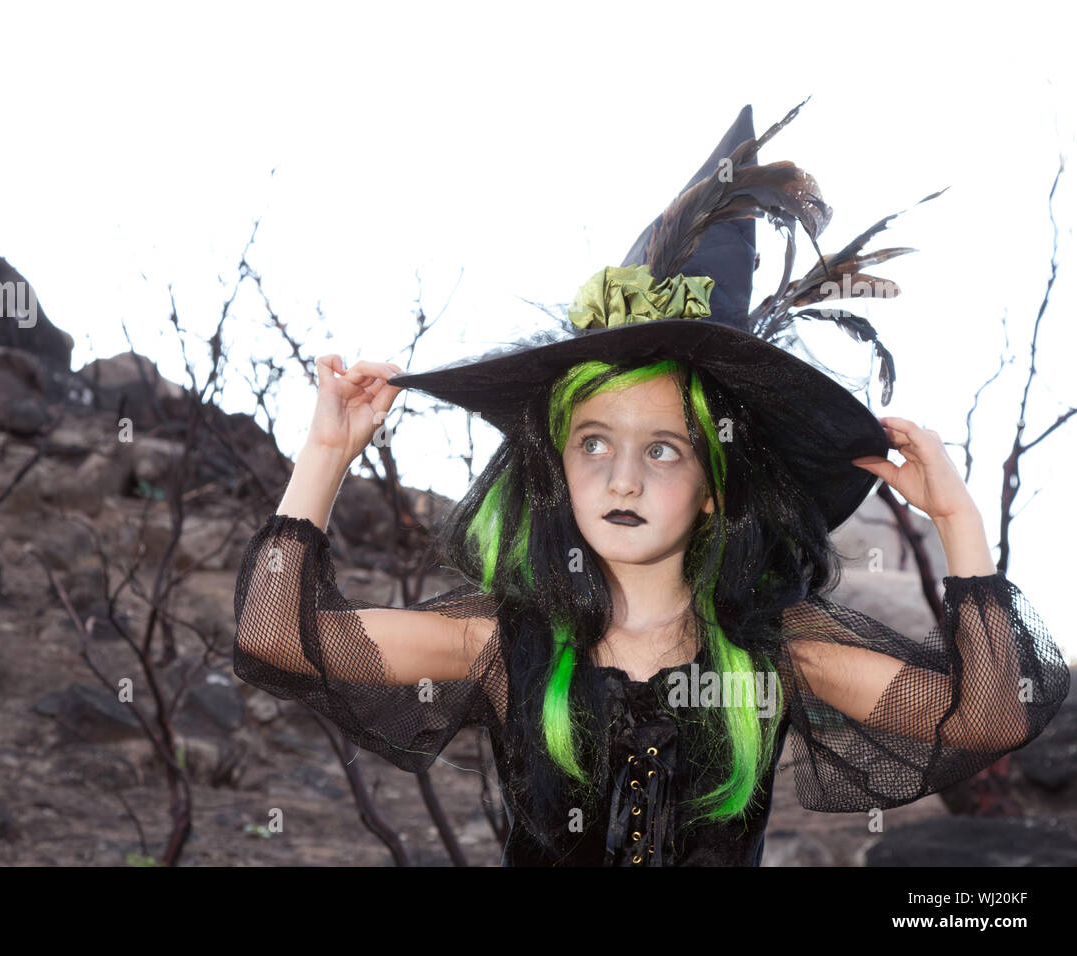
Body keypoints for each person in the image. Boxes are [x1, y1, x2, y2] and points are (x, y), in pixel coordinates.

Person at [232, 102, 1070, 867]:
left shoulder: (777, 650)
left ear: (716, 486)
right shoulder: (503, 639)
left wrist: (957, 519)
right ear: (559, 464)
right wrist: (324, 453)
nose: (622, 477)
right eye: (593, 443)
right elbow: (279, 638)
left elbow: (986, 719)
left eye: (665, 450)